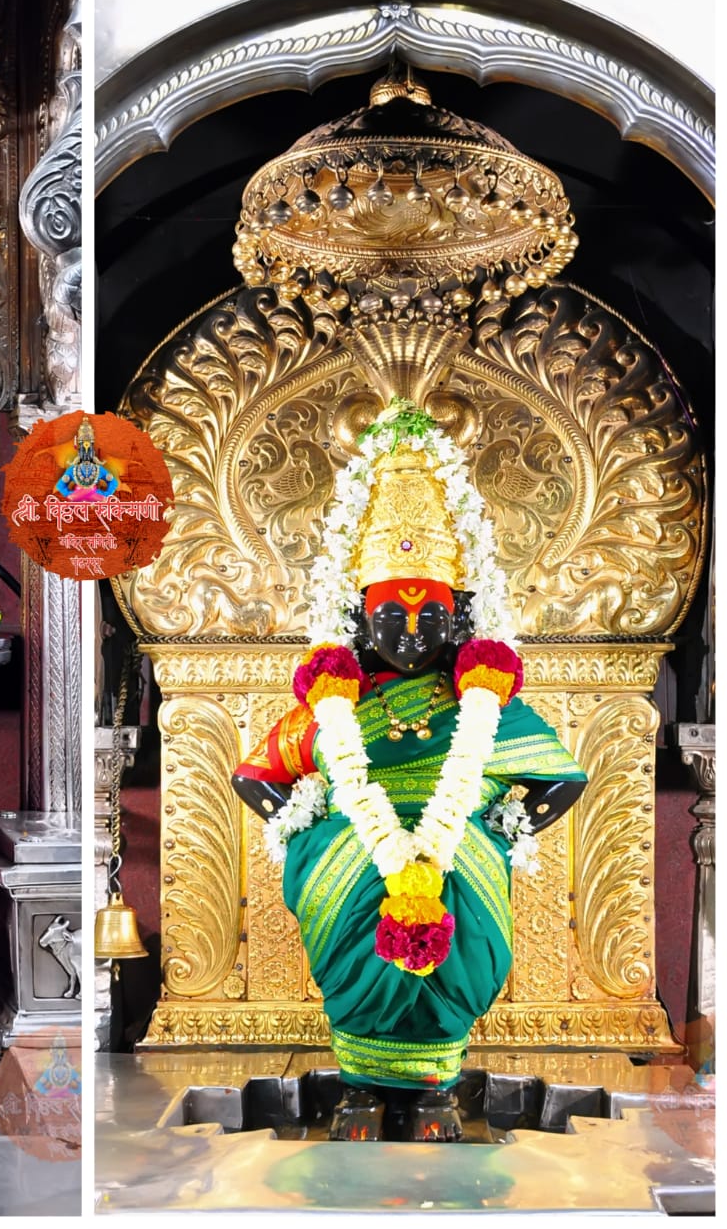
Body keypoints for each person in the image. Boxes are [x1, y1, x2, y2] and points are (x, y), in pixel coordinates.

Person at [232, 401, 585, 1142]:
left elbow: (563, 778)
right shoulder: (336, 709)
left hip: (461, 857)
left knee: (459, 966)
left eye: (432, 617)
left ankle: (436, 1094)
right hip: (352, 862)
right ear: (360, 622)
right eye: (394, 615)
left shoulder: (484, 710)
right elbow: (253, 775)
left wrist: (501, 826)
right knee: (357, 974)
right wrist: (307, 830)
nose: (414, 631)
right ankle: (360, 1092)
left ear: (460, 621)